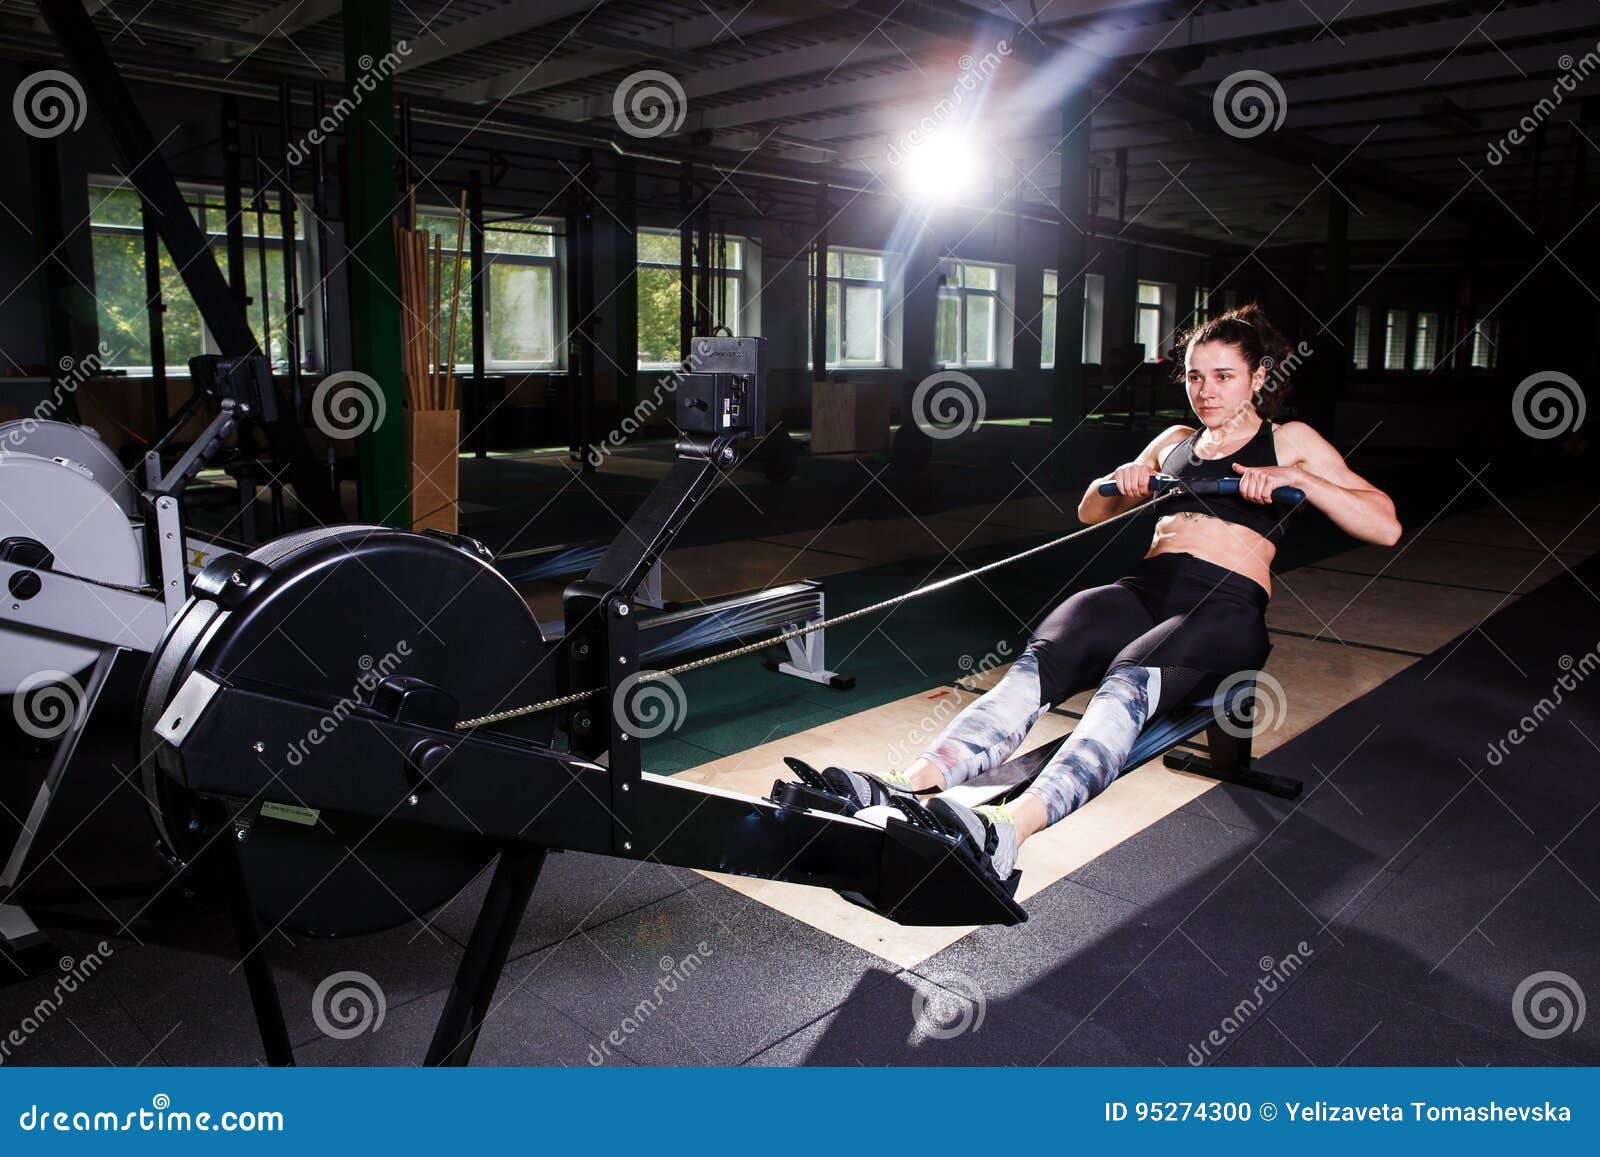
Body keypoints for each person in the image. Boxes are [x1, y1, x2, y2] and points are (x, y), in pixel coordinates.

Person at [793, 304, 1402, 882]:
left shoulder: (1290, 439)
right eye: (1195, 376)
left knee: (1126, 684)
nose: (1206, 390)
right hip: (1146, 588)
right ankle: (913, 783)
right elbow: (1090, 510)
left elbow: (1384, 523)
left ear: (1259, 377)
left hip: (1225, 603)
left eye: (1223, 376)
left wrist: (1298, 479)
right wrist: (1123, 482)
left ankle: (1008, 829)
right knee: (1048, 653)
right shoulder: (1174, 439)